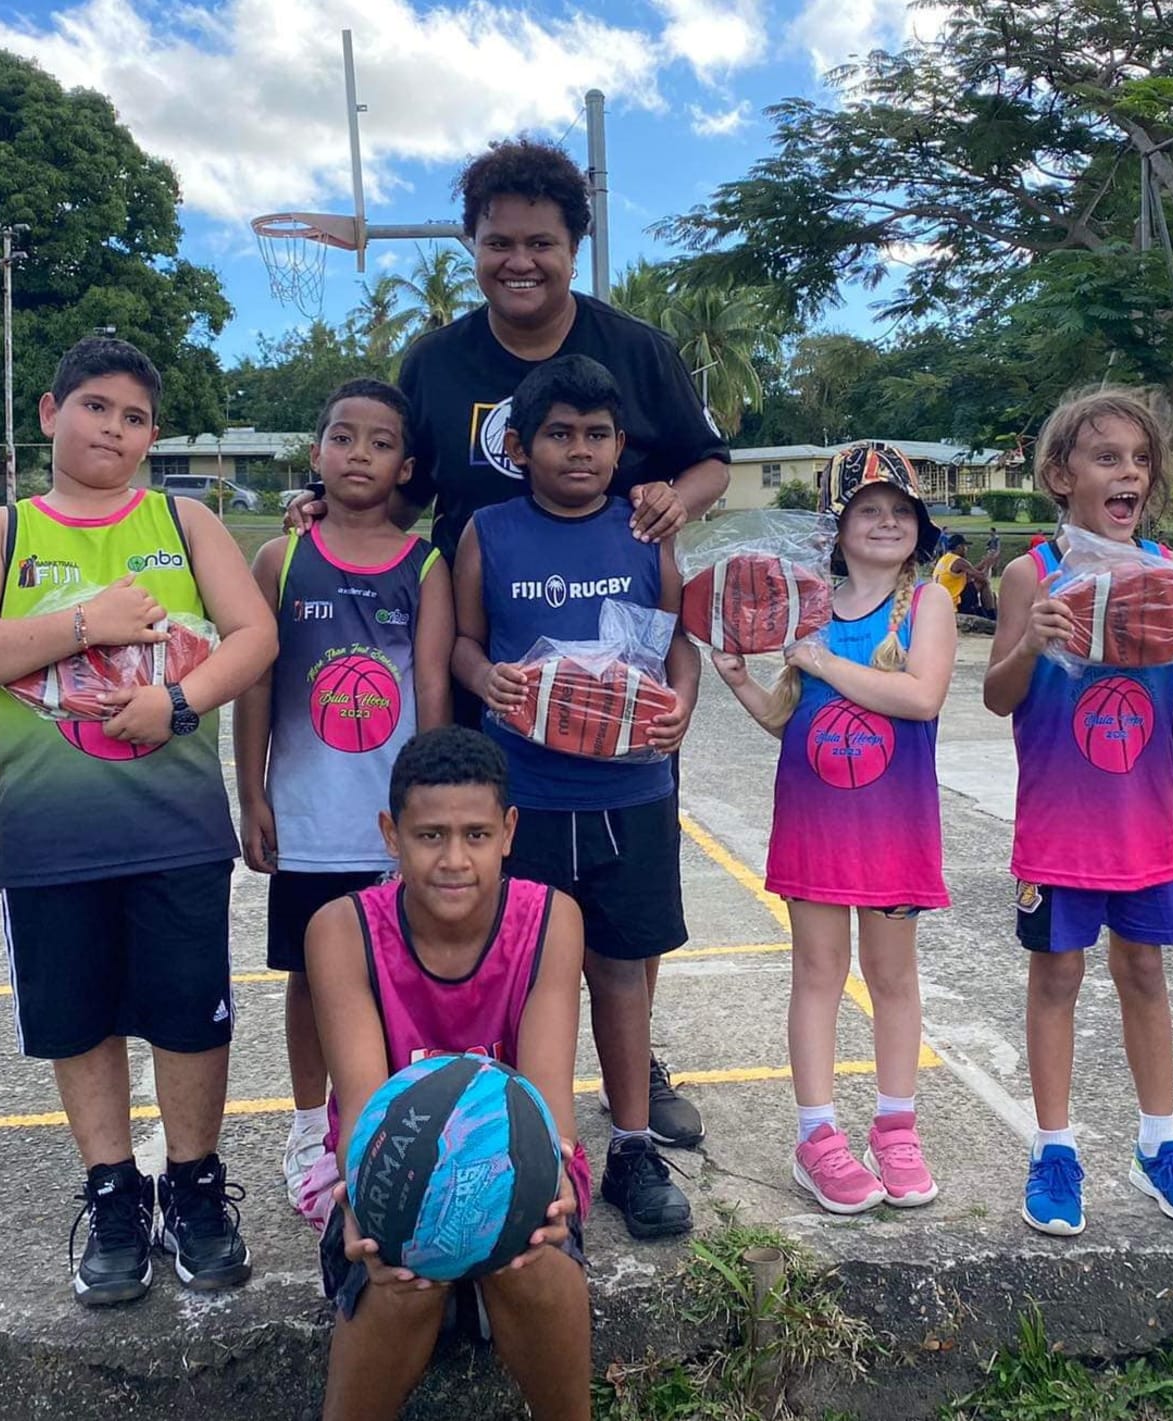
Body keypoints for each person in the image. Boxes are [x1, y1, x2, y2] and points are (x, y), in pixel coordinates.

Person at [288, 138, 732, 1146]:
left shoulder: (634, 350)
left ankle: (632, 1064)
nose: (517, 260)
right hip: (484, 639)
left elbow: (708, 460)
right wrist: (333, 497)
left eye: (540, 241)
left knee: (619, 919)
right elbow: (399, 472)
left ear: (572, 247)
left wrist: (669, 501)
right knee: (489, 878)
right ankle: (477, 1066)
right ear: (472, 244)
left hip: (610, 650)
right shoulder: (438, 361)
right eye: (498, 242)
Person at [0, 337, 277, 1305]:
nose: (111, 429)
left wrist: (181, 703)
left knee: (189, 1012)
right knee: (78, 1018)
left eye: (131, 417)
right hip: (51, 834)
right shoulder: (3, 529)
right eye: (94, 407)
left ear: (151, 435)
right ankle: (114, 1194)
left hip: (175, 824)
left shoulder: (183, 518)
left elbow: (255, 636)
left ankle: (195, 1187)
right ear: (49, 412)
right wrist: (87, 625)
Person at [983, 387, 1173, 1238]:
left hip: (1143, 827)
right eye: (1106, 457)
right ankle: (1054, 1148)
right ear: (1060, 475)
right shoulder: (1033, 572)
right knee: (1056, 978)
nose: (1127, 471)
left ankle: (1159, 1142)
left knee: (1144, 973)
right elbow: (996, 696)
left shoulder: (1168, 575)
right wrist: (1031, 638)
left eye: (1138, 458)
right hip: (1059, 827)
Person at [454, 354, 699, 1239]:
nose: (580, 450)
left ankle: (631, 1144)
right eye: (559, 433)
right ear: (519, 446)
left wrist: (680, 708)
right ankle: (520, 1146)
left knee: (621, 970)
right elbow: (465, 644)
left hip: (630, 788)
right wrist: (490, 680)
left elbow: (678, 648)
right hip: (524, 792)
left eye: (597, 434)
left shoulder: (644, 532)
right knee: (515, 976)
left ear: (621, 445)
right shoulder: (488, 530)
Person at [307, 727, 590, 1421]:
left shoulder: (551, 919)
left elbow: (551, 1114)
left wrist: (551, 1195)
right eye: (430, 835)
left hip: (517, 1165)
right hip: (388, 1172)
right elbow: (365, 1119)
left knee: (535, 1262)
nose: (454, 858)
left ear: (509, 832)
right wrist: (369, 1212)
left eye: (475, 833)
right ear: (391, 835)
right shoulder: (341, 929)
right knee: (403, 1275)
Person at [710, 442, 954, 1213]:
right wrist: (747, 684)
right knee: (817, 975)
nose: (886, 522)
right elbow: (794, 721)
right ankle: (816, 1137)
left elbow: (920, 697)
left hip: (893, 830)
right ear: (837, 526)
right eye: (868, 510)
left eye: (900, 511)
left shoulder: (928, 606)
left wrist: (820, 663)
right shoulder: (807, 605)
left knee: (891, 979)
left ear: (919, 525)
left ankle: (895, 1127)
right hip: (815, 826)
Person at [234, 377, 454, 1211]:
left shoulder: (424, 563)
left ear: (405, 465)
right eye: (342, 436)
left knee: (406, 973)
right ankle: (306, 1129)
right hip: (309, 817)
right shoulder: (279, 557)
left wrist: (427, 815)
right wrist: (251, 791)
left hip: (393, 822)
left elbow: (432, 687)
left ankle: (394, 1123)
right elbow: (255, 683)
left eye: (380, 441)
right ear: (317, 450)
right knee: (309, 976)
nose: (359, 453)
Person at [932, 533, 997, 619]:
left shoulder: (945, 559)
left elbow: (971, 570)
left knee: (972, 580)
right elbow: (984, 577)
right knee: (983, 583)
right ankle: (991, 615)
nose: (966, 549)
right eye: (965, 547)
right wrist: (989, 564)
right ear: (959, 547)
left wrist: (983, 563)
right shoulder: (958, 561)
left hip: (943, 600)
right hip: (955, 603)